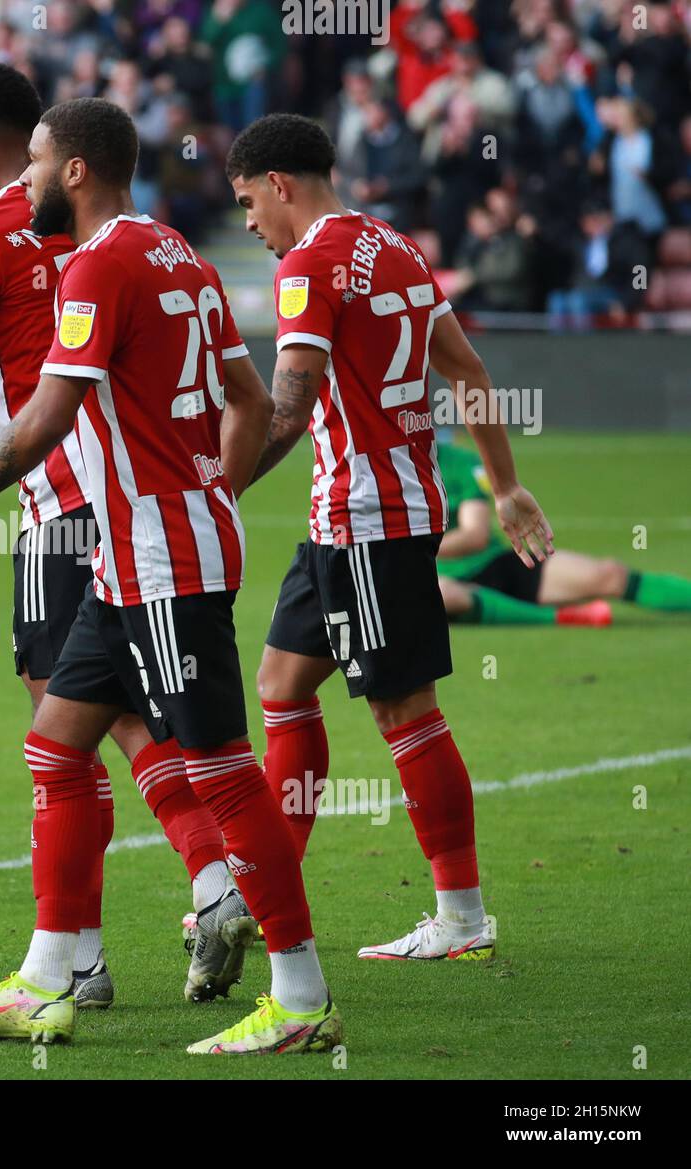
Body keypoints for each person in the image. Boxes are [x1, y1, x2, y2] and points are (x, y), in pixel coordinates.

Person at [0, 98, 343, 1056]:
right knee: (58, 747)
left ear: (74, 172)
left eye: (32, 163)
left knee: (224, 773)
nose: (21, 181)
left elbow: (48, 415)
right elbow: (248, 398)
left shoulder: (98, 264)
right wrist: (213, 490)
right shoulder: (175, 252)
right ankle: (47, 978)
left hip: (158, 558)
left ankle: (302, 996)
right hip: (138, 552)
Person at [0, 63, 243, 1009]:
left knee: (60, 729)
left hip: (59, 501)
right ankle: (148, 918)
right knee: (109, 718)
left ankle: (98, 942)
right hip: (142, 498)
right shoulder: (78, 231)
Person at [227, 113, 554, 962]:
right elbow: (467, 369)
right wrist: (507, 484)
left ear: (279, 184)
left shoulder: (308, 267)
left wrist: (213, 493)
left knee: (403, 708)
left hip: (368, 517)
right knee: (281, 683)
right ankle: (269, 895)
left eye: (247, 203)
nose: (250, 224)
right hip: (354, 513)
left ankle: (461, 915)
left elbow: (288, 412)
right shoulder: (393, 245)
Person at [437, 438, 691, 624]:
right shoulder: (397, 475)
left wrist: (416, 545)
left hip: (492, 565)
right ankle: (562, 617)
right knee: (445, 593)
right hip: (425, 577)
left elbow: (476, 535)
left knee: (610, 575)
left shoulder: (460, 461)